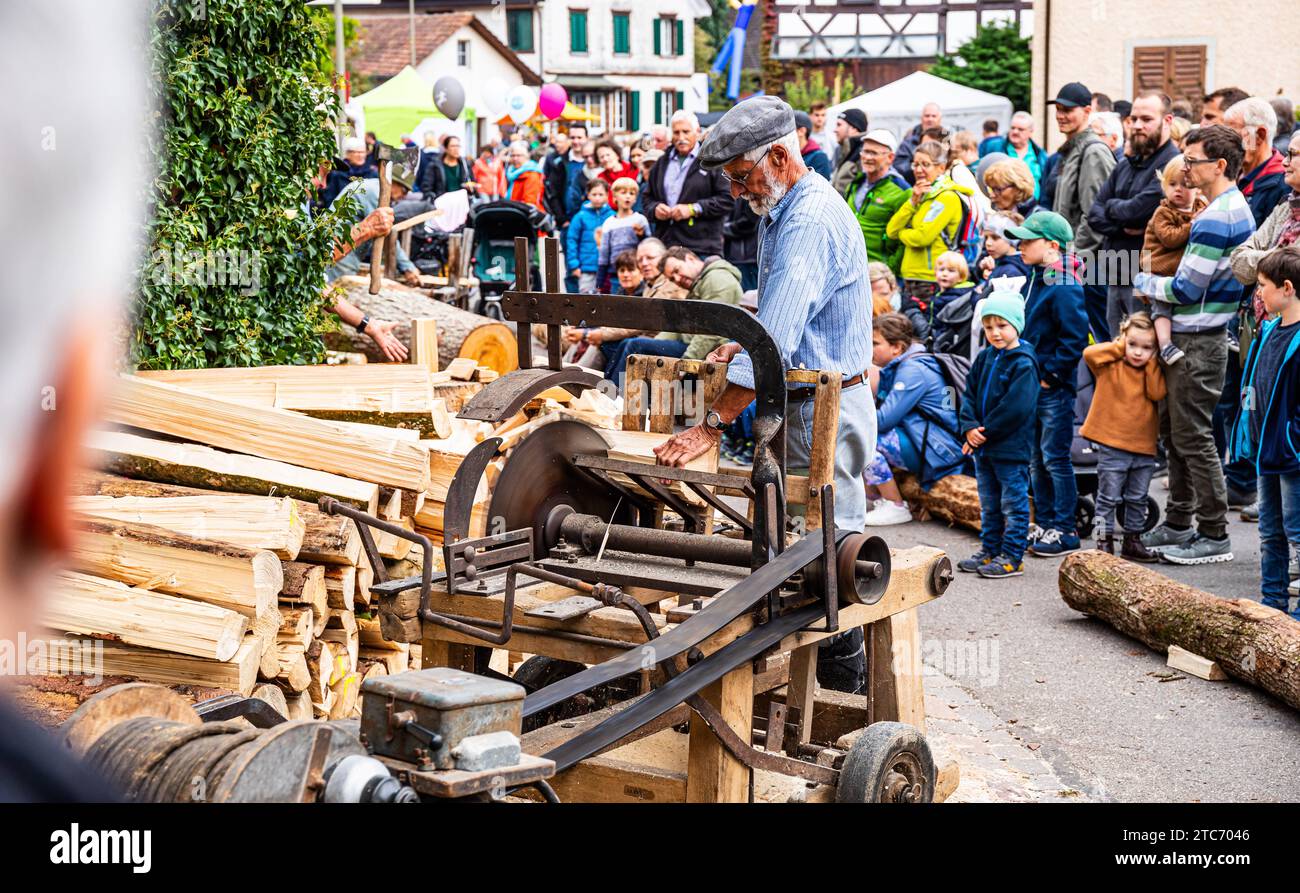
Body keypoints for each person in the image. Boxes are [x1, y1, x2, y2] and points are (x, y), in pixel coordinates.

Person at [653, 96, 876, 693]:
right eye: (730, 180)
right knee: (792, 544)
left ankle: (840, 697)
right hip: (800, 401)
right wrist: (739, 337)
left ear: (778, 155)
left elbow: (775, 342)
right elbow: (775, 313)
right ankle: (801, 685)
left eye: (742, 177)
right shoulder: (783, 209)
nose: (738, 190)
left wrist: (710, 426)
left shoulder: (807, 221)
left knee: (827, 555)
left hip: (821, 408)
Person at [1133, 124, 1256, 565]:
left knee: (1193, 438)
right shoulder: (1226, 208)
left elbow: (1184, 289)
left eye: (1192, 160)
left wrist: (1143, 280)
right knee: (1178, 433)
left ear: (1219, 165)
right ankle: (1180, 520)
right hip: (1197, 336)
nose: (1186, 168)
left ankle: (1213, 532)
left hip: (1198, 339)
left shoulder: (1217, 216)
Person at [1007, 211, 1089, 557]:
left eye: (1028, 241)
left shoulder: (1064, 283)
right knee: (1036, 460)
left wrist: (1048, 377)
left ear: (1052, 245)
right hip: (1033, 384)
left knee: (1054, 458)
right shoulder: (1039, 277)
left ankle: (1065, 528)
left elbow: (1074, 339)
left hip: (1051, 388)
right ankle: (1046, 522)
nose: (1020, 247)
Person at [1231, 246, 1300, 619]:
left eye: (1262, 285)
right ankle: (1272, 601)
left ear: (1286, 287)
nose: (1258, 293)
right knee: (1270, 532)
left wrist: (1292, 439)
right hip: (1264, 451)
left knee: (1298, 534)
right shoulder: (1269, 328)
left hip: (1291, 456)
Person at [957, 290, 1041, 578]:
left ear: (1016, 325)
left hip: (1010, 448)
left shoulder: (1023, 363)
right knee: (989, 503)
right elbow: (968, 394)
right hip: (983, 447)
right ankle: (989, 549)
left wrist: (985, 432)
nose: (995, 333)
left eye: (1002, 326)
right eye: (989, 327)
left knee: (1013, 503)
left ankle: (1012, 555)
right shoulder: (984, 357)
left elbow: (1016, 408)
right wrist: (968, 427)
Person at [1087, 91, 1181, 337]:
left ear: (1167, 121)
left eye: (1147, 119)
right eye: (1134, 118)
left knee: (1141, 356)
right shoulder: (1126, 164)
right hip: (1115, 272)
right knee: (1114, 351)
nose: (1138, 125)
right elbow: (1094, 213)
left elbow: (1136, 212)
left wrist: (1114, 209)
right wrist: (1120, 221)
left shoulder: (1172, 166)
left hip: (1146, 279)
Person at [863, 313, 965, 526]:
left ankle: (895, 505)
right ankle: (879, 498)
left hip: (940, 450)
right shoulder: (911, 362)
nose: (869, 348)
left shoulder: (913, 370)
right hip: (932, 442)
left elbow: (883, 421)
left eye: (875, 343)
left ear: (897, 348)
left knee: (863, 439)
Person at [1080, 313, 1167, 559]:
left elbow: (1157, 392)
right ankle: (1102, 541)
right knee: (1107, 498)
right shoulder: (1110, 364)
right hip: (1112, 444)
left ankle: (1133, 541)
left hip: (1143, 446)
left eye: (1146, 347)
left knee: (1137, 498)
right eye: (1133, 345)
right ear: (1123, 341)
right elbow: (1089, 354)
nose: (1138, 352)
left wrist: (1152, 360)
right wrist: (1121, 345)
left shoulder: (1151, 370)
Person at [602, 246, 742, 383]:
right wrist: (656, 342)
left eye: (677, 270)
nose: (678, 278)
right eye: (673, 278)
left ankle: (612, 398)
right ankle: (606, 391)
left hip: (712, 352)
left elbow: (712, 331)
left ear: (690, 258)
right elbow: (680, 327)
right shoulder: (700, 283)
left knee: (635, 346)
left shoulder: (717, 279)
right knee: (625, 344)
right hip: (689, 345)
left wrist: (685, 363)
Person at [886, 140, 975, 340]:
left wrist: (904, 232)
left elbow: (921, 238)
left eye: (925, 164)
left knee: (924, 334)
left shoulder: (947, 197)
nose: (919, 170)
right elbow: (891, 230)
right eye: (915, 164)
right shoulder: (920, 195)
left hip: (930, 278)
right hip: (910, 277)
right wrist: (912, 202)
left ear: (941, 167)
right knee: (907, 334)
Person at [1050, 81, 1117, 341]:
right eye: (1057, 109)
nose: (1061, 115)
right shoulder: (1072, 150)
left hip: (1088, 264)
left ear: (1087, 111)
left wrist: (1072, 259)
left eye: (1068, 109)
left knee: (1100, 340)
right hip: (1075, 262)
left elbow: (1095, 216)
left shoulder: (1093, 151)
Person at [1139, 154, 1205, 364]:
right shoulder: (1163, 212)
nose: (1178, 189)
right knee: (1161, 309)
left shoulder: (1200, 207)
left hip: (1179, 271)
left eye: (1185, 184)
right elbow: (1169, 239)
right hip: (1158, 269)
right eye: (1172, 184)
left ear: (1198, 188)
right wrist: (1192, 225)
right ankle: (1165, 345)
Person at [641, 109, 734, 257]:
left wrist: (693, 209)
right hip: (666, 244)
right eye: (676, 133)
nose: (681, 137)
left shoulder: (712, 162)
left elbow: (728, 199)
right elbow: (646, 198)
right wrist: (655, 209)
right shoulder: (661, 163)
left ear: (697, 132)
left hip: (701, 246)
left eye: (686, 131)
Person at [843, 129, 910, 270]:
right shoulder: (855, 184)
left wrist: (889, 269)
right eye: (865, 151)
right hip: (850, 267)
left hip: (879, 273)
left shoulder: (902, 190)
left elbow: (904, 239)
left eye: (873, 153)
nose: (867, 157)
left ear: (891, 158)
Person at [1224, 97, 1288, 227]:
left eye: (1231, 136)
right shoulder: (1230, 174)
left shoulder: (1283, 185)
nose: (1223, 144)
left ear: (1260, 135)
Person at [595, 177, 648, 292]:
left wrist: (641, 235)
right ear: (614, 197)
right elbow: (604, 256)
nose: (628, 196)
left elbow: (648, 246)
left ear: (635, 199)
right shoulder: (609, 223)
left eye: (632, 193)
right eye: (623, 193)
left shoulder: (640, 220)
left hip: (637, 274)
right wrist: (599, 283)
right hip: (616, 276)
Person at [981, 112, 1048, 199]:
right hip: (1001, 205)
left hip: (1032, 208)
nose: (1015, 132)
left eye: (1020, 129)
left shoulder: (1041, 155)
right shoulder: (994, 147)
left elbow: (1045, 186)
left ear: (1030, 132)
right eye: (1012, 128)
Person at [565, 178, 612, 293]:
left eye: (601, 194)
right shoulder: (580, 217)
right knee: (586, 299)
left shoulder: (612, 216)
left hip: (607, 268)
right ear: (588, 195)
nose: (597, 198)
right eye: (594, 194)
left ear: (607, 195)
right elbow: (572, 240)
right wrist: (574, 265)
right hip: (586, 268)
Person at [895, 102, 943, 184]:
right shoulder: (908, 143)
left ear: (940, 119)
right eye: (927, 116)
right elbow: (899, 167)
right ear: (921, 118)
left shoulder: (947, 139)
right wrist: (920, 166)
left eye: (933, 116)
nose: (930, 119)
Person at [421, 134, 477, 200]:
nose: (456, 149)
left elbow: (472, 185)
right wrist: (434, 200)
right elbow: (426, 188)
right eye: (453, 146)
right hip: (441, 204)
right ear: (446, 148)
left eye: (458, 146)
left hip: (461, 204)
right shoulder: (435, 165)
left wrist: (470, 188)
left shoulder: (465, 165)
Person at [724, 197, 761, 292]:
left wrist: (722, 230)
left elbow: (750, 222)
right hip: (738, 258)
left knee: (748, 299)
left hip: (747, 258)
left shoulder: (749, 193)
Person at [831, 108, 868, 194]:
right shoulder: (843, 149)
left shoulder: (863, 153)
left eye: (839, 125)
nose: (835, 130)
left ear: (854, 128)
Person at [543, 131, 571, 227]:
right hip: (555, 192)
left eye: (561, 142)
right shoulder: (550, 157)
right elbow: (545, 174)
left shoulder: (571, 156)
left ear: (567, 142)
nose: (558, 144)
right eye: (556, 142)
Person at [795, 111, 833, 179]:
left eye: (788, 130)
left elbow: (821, 187)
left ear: (801, 131)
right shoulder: (791, 154)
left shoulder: (819, 157)